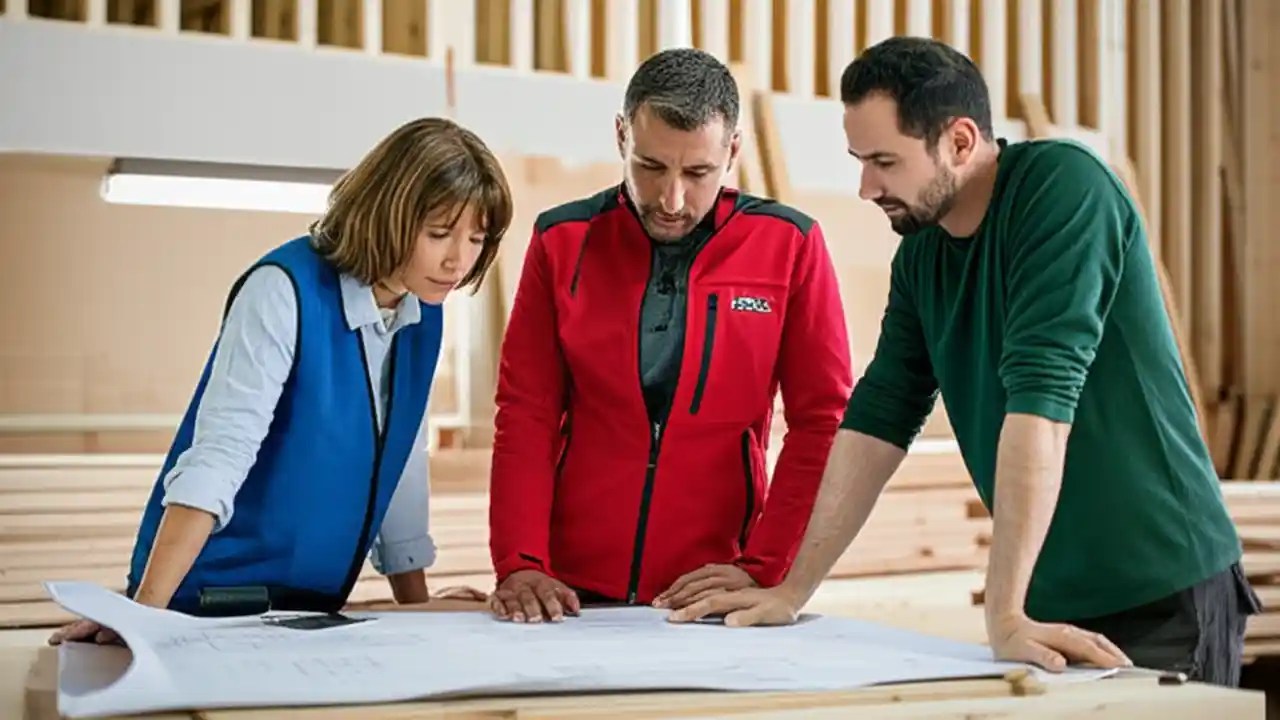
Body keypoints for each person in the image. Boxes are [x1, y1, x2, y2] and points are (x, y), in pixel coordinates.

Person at [668, 37, 1263, 687]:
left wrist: (1003, 610)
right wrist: (790, 588)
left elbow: (1043, 398)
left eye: (885, 162)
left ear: (958, 141)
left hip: (1162, 589)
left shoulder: (1063, 190)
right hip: (1054, 602)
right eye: (860, 162)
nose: (867, 187)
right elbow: (878, 417)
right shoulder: (922, 256)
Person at [49, 117, 514, 645]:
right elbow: (219, 457)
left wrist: (420, 607)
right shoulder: (282, 290)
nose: (458, 260)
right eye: (438, 234)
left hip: (310, 612)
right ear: (389, 213)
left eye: (476, 239)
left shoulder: (423, 309)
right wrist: (143, 615)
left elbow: (401, 460)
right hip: (204, 602)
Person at [485, 48, 854, 623]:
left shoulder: (790, 247)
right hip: (570, 591)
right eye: (651, 167)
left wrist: (767, 565)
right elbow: (526, 410)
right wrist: (520, 560)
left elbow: (821, 420)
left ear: (733, 151)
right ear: (620, 137)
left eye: (698, 173)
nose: (672, 199)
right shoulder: (561, 242)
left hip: (714, 591)